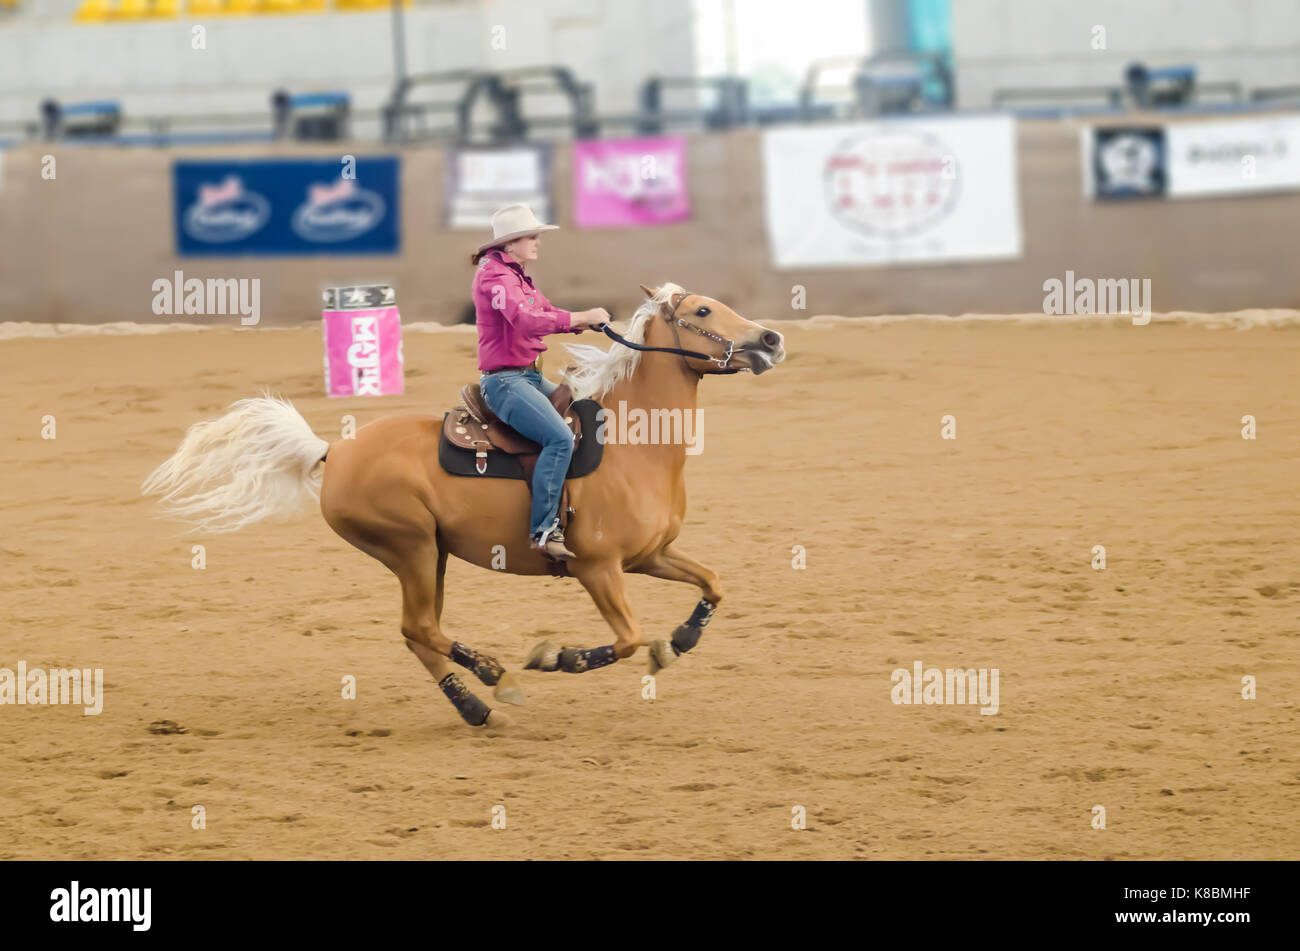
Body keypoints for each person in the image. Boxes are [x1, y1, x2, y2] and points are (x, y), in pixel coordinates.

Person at [471, 203, 609, 560]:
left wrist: (583, 320)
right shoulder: (496, 278)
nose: (537, 243)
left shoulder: (514, 275)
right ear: (511, 242)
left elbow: (544, 311)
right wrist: (581, 316)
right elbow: (527, 320)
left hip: (527, 377)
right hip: (506, 382)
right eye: (531, 237)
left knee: (586, 409)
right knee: (560, 438)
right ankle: (544, 530)